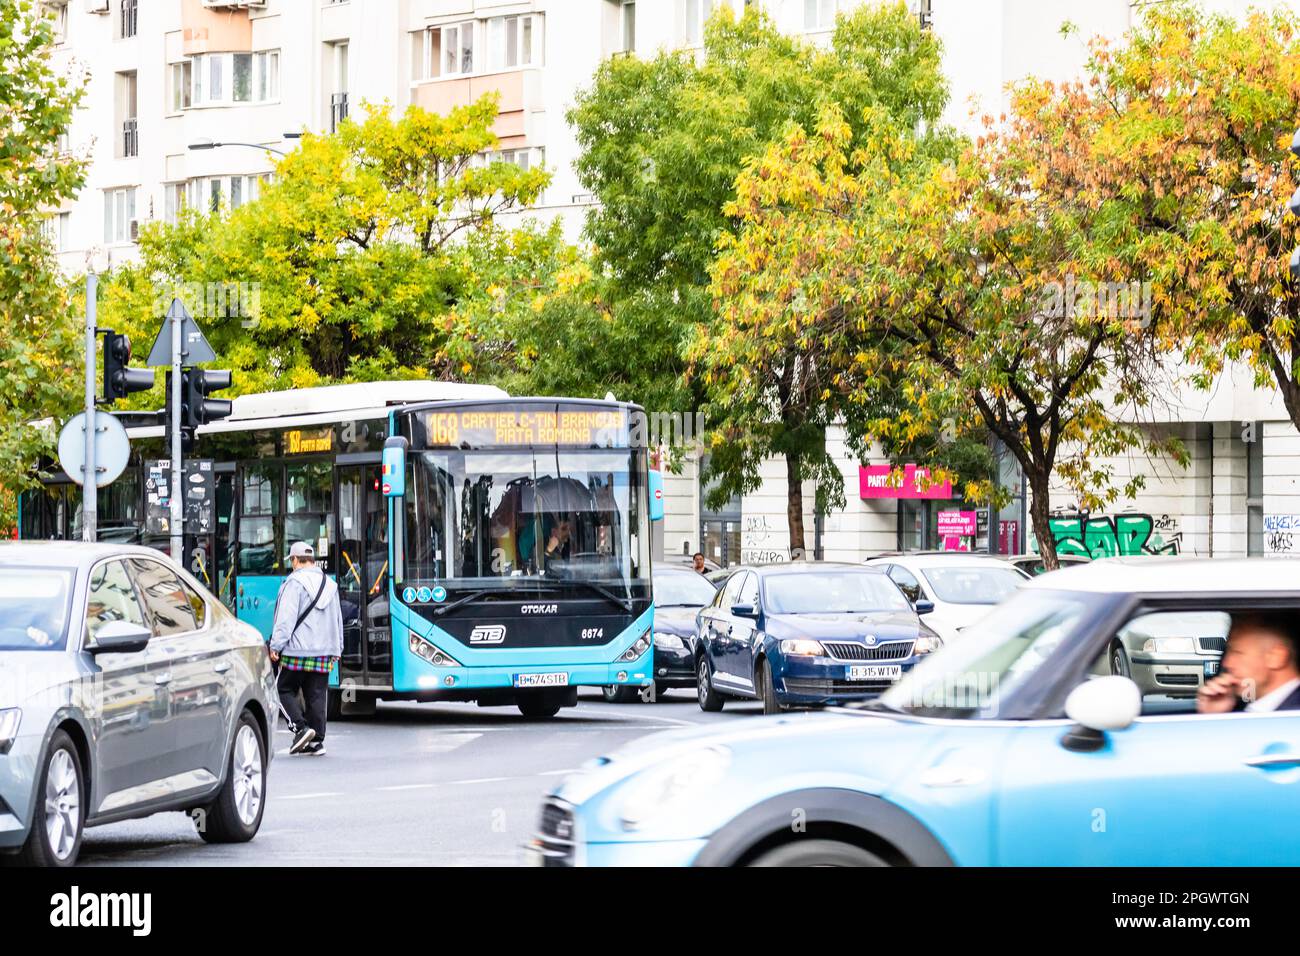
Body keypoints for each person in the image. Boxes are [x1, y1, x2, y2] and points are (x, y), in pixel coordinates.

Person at [270, 541, 344, 755]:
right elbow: (337, 618)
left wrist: (276, 645)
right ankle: (317, 741)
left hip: (296, 650)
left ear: (295, 560)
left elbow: (286, 619)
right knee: (317, 695)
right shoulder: (330, 584)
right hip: (323, 650)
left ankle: (301, 728)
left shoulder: (293, 583)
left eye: (291, 561)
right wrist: (337, 648)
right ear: (312, 560)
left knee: (281, 689)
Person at [1196, 611, 1300, 714]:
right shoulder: (1266, 708)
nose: (1227, 664)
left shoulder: (1291, 714)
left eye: (1237, 652)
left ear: (1276, 658)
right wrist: (1215, 715)